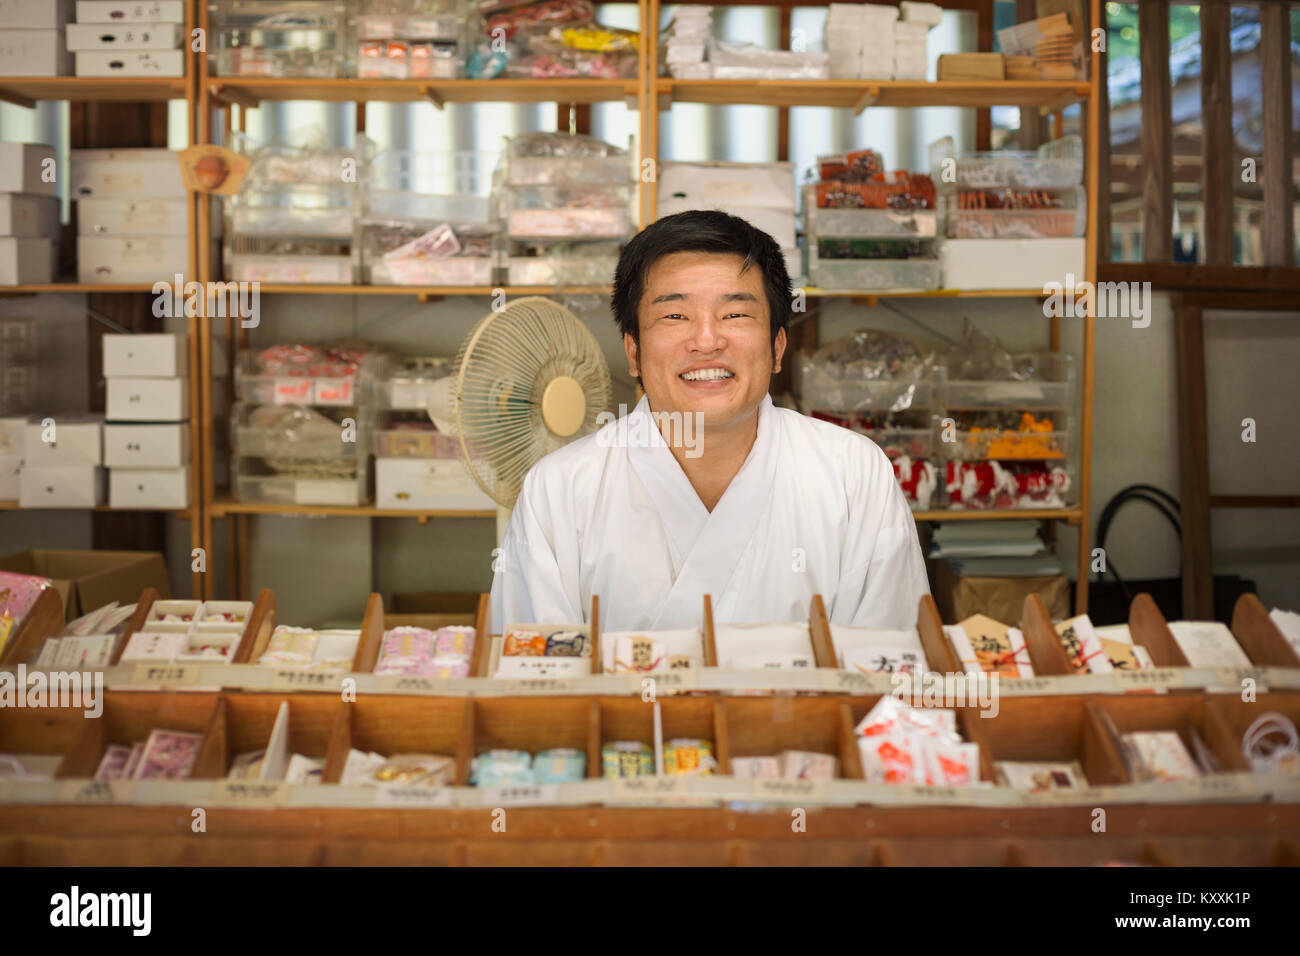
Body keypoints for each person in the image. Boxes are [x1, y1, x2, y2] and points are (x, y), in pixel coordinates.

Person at [490, 209, 929, 632]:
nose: (706, 340)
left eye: (735, 314)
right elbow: (533, 682)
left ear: (777, 347)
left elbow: (890, 669)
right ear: (634, 351)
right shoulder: (560, 490)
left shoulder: (854, 475)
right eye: (675, 316)